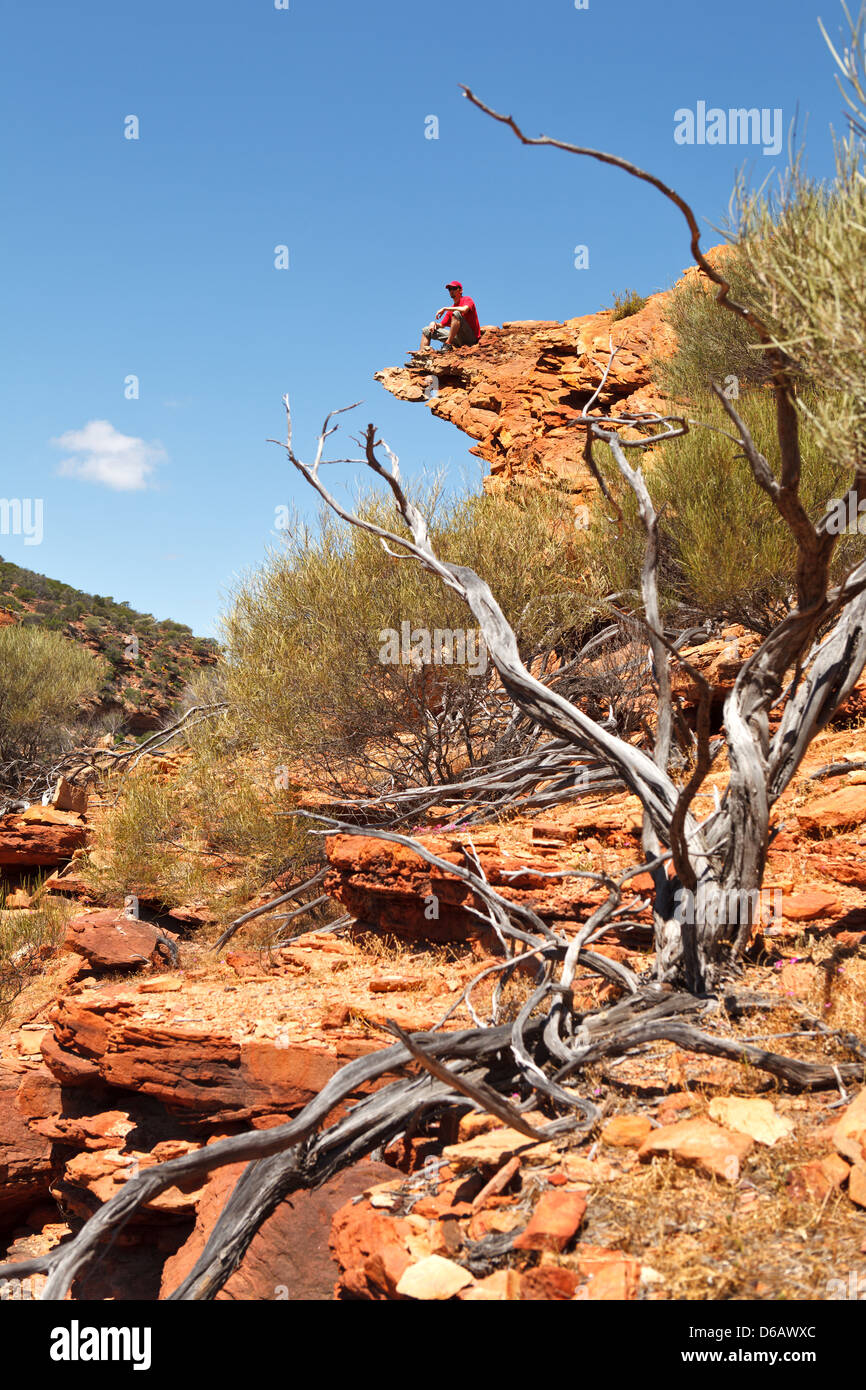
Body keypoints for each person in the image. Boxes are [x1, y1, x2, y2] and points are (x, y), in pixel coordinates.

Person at [418, 281, 481, 353]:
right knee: (427, 330)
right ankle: (421, 354)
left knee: (456, 313)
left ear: (460, 290)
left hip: (471, 338)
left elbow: (464, 309)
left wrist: (445, 309)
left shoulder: (467, 299)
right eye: (450, 289)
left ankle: (447, 344)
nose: (451, 291)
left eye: (454, 288)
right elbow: (442, 325)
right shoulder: (451, 308)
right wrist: (434, 323)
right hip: (459, 339)